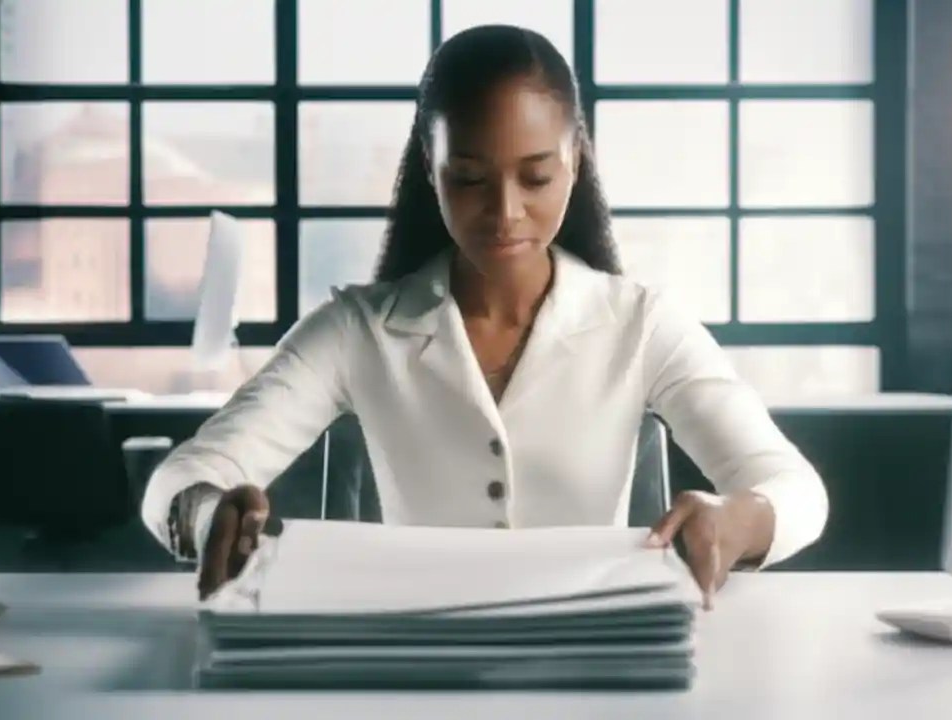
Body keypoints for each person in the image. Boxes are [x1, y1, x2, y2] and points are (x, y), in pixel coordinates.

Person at [141, 25, 828, 608]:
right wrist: (205, 517)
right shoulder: (358, 330)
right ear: (429, 169)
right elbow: (181, 477)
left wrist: (738, 519)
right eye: (469, 178)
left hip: (599, 658)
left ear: (576, 163)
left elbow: (796, 489)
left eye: (535, 177)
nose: (504, 212)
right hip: (415, 662)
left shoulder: (641, 324)